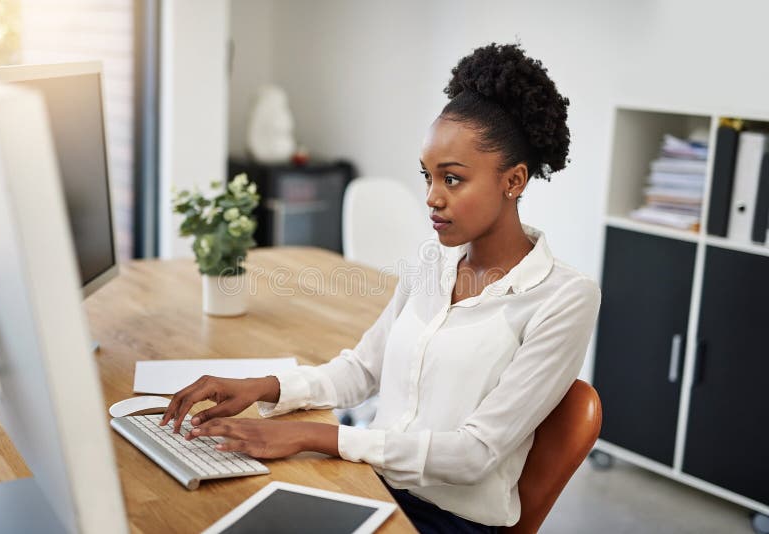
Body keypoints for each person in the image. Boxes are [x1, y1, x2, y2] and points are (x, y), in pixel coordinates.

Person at [161, 42, 601, 532]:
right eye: (427, 176)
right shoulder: (432, 261)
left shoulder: (565, 298)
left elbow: (474, 454)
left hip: (448, 521)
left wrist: (317, 436)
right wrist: (264, 387)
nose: (432, 197)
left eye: (452, 179)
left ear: (513, 180)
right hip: (373, 485)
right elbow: (362, 369)